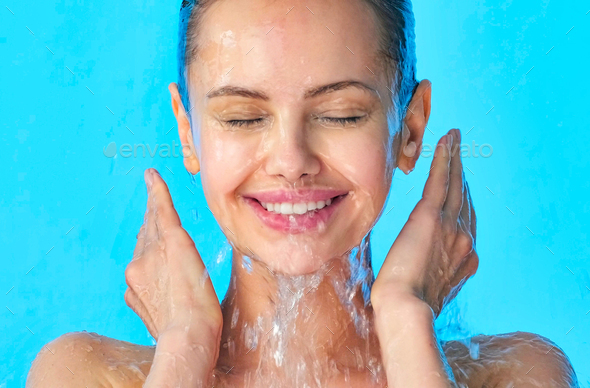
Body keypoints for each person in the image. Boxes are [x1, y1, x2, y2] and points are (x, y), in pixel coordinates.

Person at [27, 0, 579, 386]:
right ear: (188, 133)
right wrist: (184, 351)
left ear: (408, 131)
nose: (291, 162)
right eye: (243, 118)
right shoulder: (83, 376)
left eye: (341, 114)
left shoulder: (518, 375)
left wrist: (407, 323)